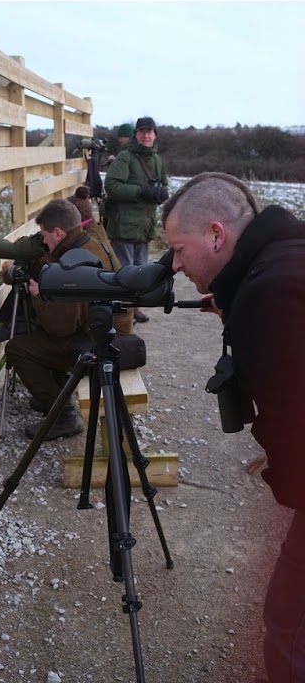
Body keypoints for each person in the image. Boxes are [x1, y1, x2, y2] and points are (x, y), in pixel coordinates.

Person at [161, 172, 305, 682]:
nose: (175, 265)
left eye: (179, 249)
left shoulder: (266, 295)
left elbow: (293, 430)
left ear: (217, 235)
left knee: (289, 624)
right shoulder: (288, 256)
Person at [4, 196, 132, 439]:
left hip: (100, 344)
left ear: (59, 233)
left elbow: (59, 328)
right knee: (43, 338)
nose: (42, 240)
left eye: (44, 235)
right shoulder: (90, 241)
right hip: (111, 331)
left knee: (18, 348)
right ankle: (55, 395)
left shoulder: (74, 265)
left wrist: (38, 295)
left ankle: (63, 416)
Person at [104, 116, 169, 271]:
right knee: (124, 274)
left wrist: (161, 194)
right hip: (124, 228)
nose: (145, 136)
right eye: (142, 132)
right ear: (136, 134)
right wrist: (140, 191)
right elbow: (111, 186)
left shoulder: (157, 160)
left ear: (155, 135)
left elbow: (164, 184)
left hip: (145, 227)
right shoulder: (125, 157)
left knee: (141, 275)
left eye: (149, 132)